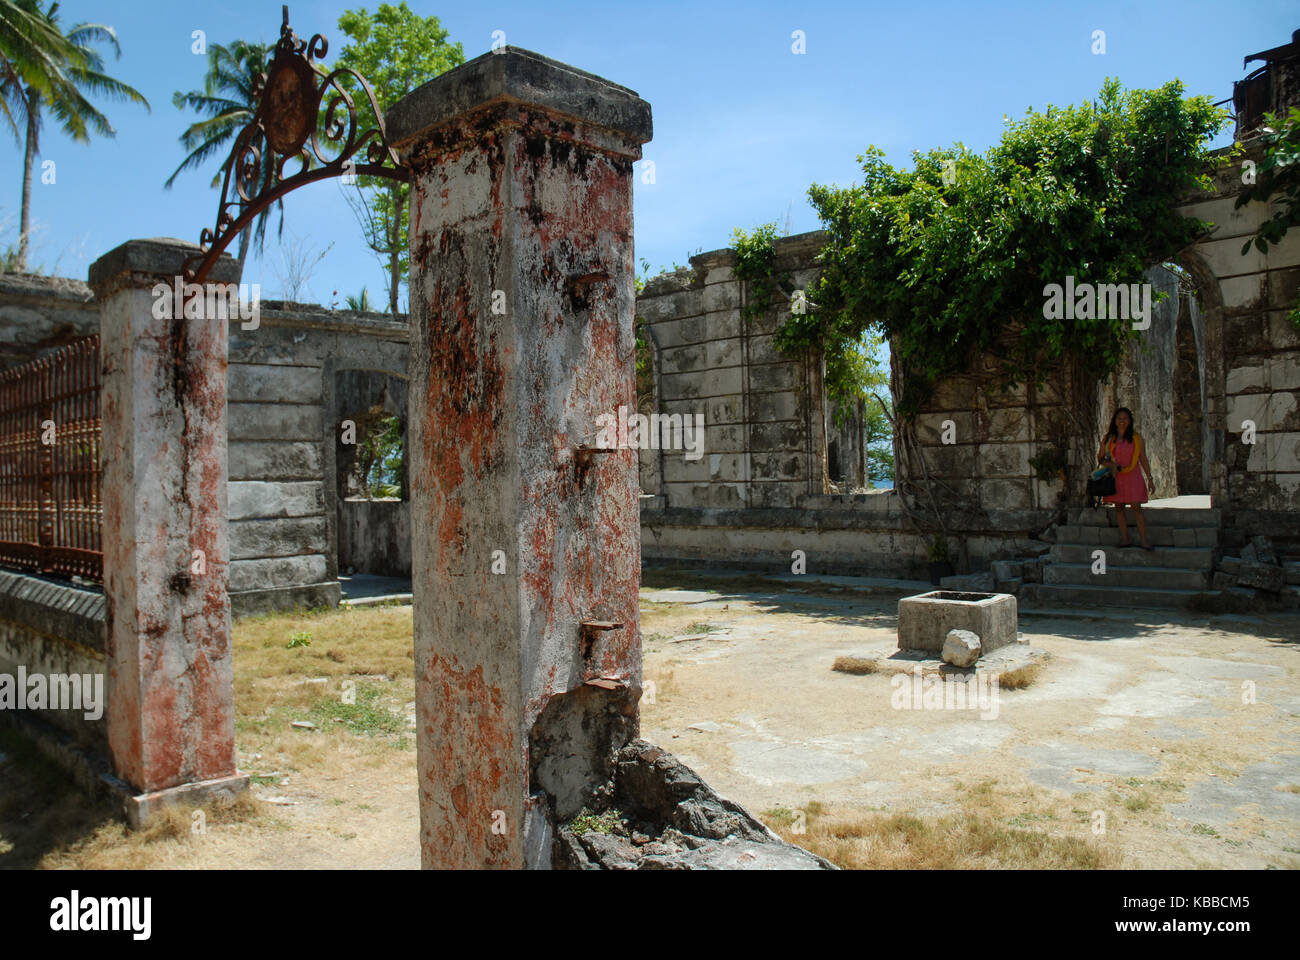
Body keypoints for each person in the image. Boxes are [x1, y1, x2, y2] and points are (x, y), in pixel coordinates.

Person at [1097, 407, 1155, 550]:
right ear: (1114, 421)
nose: (1122, 421)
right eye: (1119, 418)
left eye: (1125, 419)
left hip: (1132, 476)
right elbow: (1100, 458)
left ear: (1130, 421)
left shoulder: (1136, 438)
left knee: (1136, 507)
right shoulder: (1109, 438)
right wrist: (1111, 465)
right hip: (1116, 477)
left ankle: (1144, 541)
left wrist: (1150, 478)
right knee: (1119, 508)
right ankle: (1125, 539)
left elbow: (1143, 458)